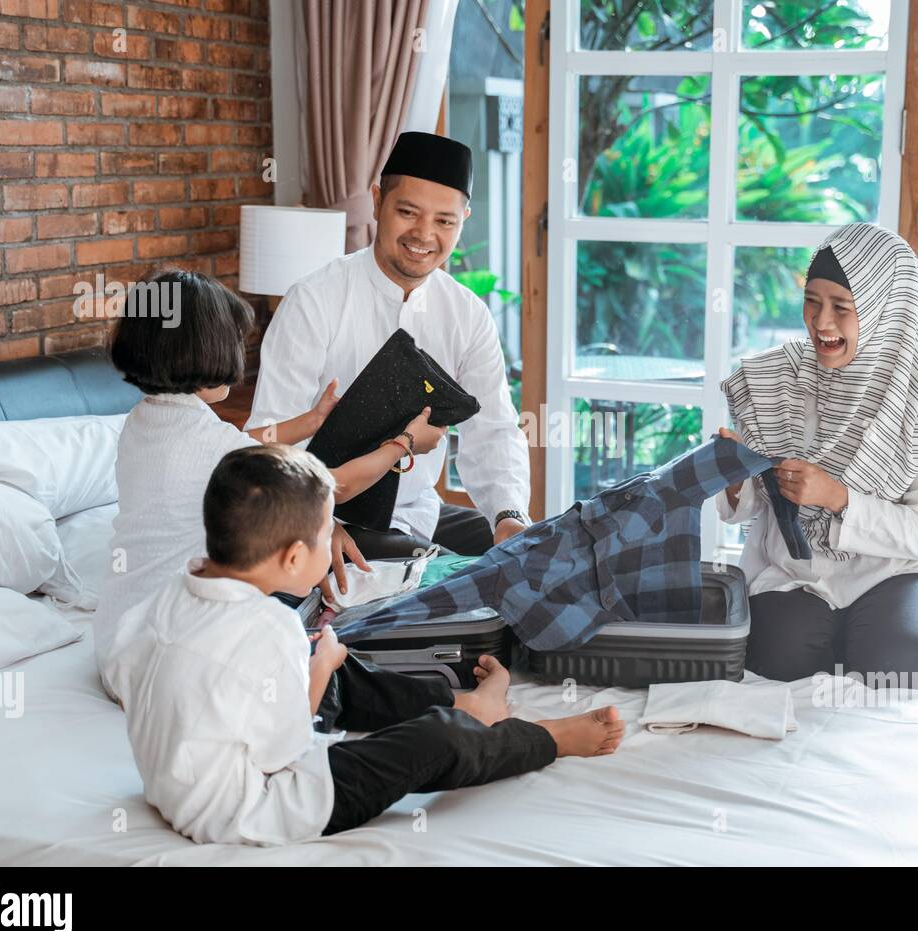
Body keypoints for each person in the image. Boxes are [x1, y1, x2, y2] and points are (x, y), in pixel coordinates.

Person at [103, 444, 625, 845]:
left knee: (332, 665)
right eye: (328, 532)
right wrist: (319, 671)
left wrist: (313, 668)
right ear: (291, 558)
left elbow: (130, 672)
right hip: (254, 809)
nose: (335, 543)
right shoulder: (266, 628)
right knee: (436, 740)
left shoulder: (171, 591)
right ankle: (547, 738)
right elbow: (284, 753)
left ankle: (466, 702)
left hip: (171, 785)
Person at [92, 270, 442, 696]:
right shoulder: (208, 443)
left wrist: (309, 422)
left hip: (120, 642)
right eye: (234, 341)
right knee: (331, 662)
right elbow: (335, 487)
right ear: (208, 350)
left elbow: (242, 444)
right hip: (165, 664)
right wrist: (404, 443)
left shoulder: (147, 419)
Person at [246, 131, 531, 558]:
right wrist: (317, 522)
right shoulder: (314, 299)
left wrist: (509, 514)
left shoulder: (468, 315)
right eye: (408, 212)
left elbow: (493, 429)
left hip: (420, 511)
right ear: (378, 201)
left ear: (464, 219)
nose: (424, 234)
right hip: (326, 520)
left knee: (526, 559)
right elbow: (273, 441)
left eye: (444, 221)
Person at [718, 223, 918, 691]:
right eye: (812, 301)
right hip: (800, 573)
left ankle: (868, 635)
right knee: (775, 655)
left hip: (898, 571)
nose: (821, 323)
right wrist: (734, 476)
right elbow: (751, 507)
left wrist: (839, 498)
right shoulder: (776, 378)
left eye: (842, 308)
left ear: (886, 311)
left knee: (903, 662)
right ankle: (843, 639)